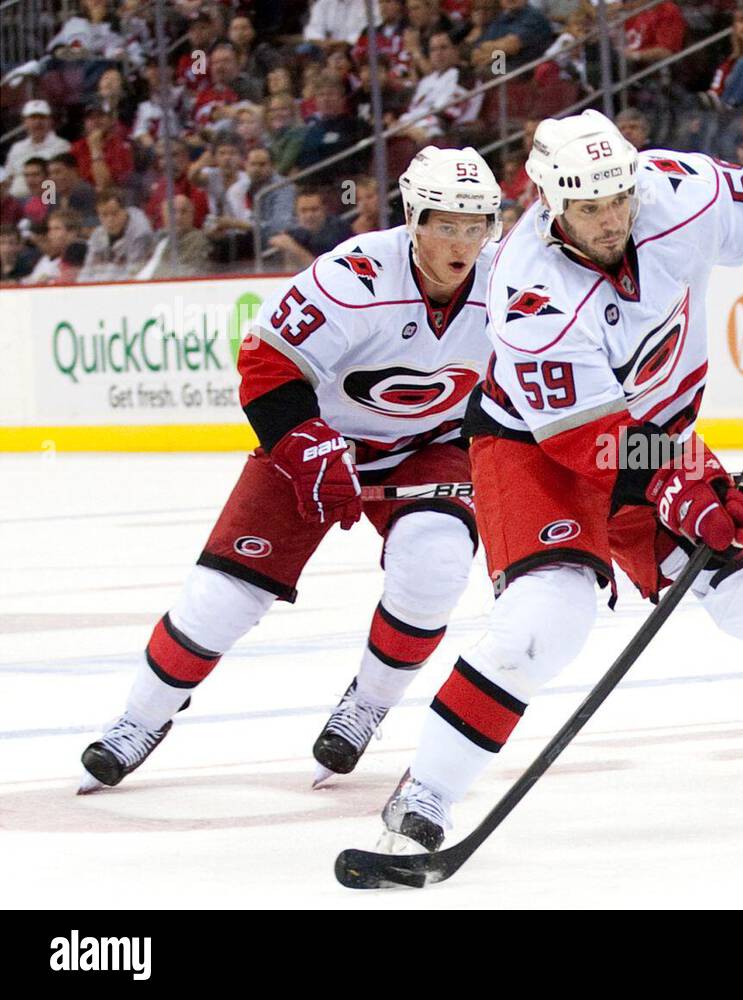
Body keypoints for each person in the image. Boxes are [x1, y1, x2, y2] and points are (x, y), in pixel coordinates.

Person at [374, 109, 743, 855]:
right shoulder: (529, 291)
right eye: (589, 207)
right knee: (544, 621)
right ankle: (425, 789)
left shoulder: (668, 189)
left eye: (618, 196)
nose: (613, 217)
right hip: (536, 449)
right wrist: (685, 485)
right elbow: (592, 443)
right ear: (551, 204)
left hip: (655, 436)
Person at [78, 147, 503, 793]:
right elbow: (267, 368)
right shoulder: (354, 275)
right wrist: (308, 445)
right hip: (317, 435)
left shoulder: (509, 282)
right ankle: (141, 717)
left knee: (436, 564)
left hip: (431, 445)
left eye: (478, 226)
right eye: (448, 224)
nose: (463, 243)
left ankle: (368, 704)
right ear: (414, 217)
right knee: (220, 599)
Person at [79, 188, 154, 282]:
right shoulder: (97, 234)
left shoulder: (141, 235)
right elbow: (87, 270)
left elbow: (135, 274)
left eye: (114, 214)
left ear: (125, 210)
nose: (110, 220)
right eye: (104, 215)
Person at [268, 188, 354, 269]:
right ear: (296, 213)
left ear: (325, 209)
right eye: (303, 210)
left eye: (314, 209)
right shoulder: (297, 232)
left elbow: (323, 271)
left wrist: (292, 247)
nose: (309, 215)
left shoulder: (339, 230)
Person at [3, 101, 71, 200]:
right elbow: (8, 178)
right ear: (24, 122)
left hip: (49, 200)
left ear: (50, 120)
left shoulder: (62, 146)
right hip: (15, 202)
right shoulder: (17, 147)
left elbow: (63, 181)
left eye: (42, 118)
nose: (37, 122)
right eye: (33, 118)